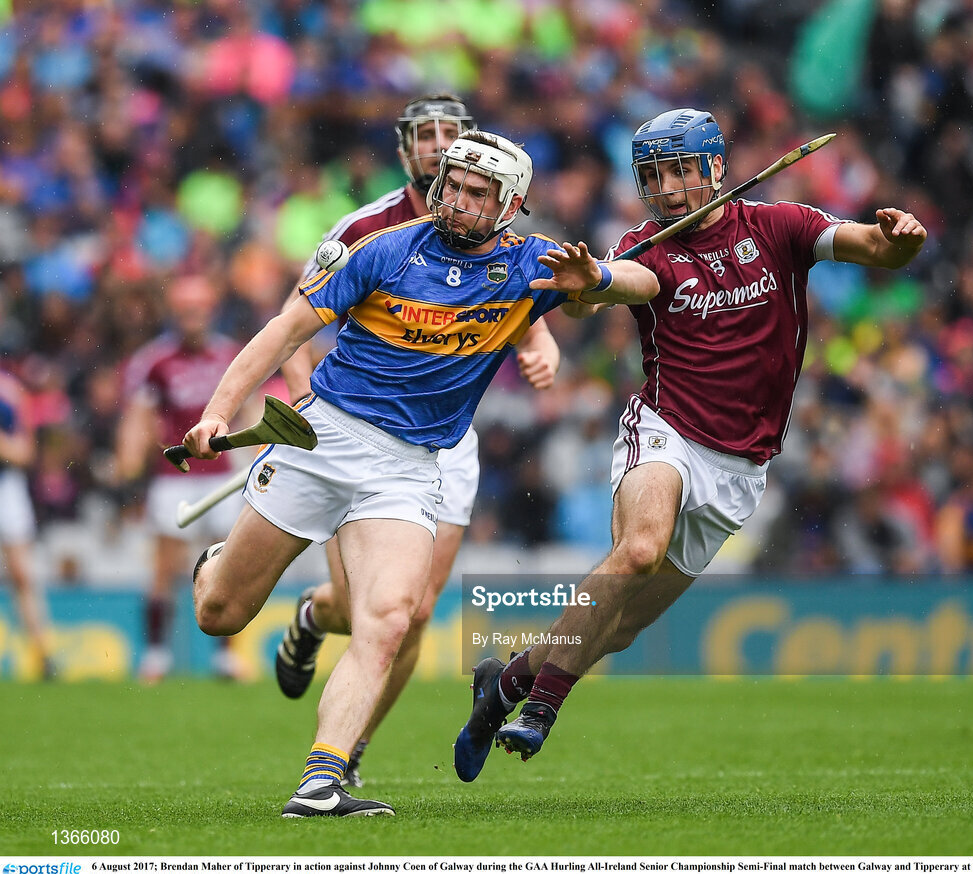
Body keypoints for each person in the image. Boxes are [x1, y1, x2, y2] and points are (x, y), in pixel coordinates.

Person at [182, 129, 659, 817]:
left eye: (476, 193)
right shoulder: (385, 248)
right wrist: (219, 412)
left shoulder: (532, 265)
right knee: (219, 614)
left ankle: (322, 779)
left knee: (390, 618)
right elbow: (284, 331)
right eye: (452, 186)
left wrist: (599, 281)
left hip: (407, 469)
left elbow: (641, 284)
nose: (457, 201)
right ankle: (217, 563)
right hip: (322, 441)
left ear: (509, 204)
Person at [453, 108, 928, 781]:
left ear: (714, 169)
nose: (667, 187)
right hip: (666, 428)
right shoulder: (647, 244)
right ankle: (541, 709)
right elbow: (621, 285)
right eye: (653, 175)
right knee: (638, 550)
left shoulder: (778, 226)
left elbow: (874, 249)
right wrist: (591, 284)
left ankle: (502, 686)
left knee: (616, 627)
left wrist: (899, 239)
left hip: (740, 466)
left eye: (679, 170)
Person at [272, 94, 561, 788]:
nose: (440, 149)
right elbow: (293, 320)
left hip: (443, 437)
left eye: (452, 138)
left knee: (414, 610)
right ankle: (315, 614)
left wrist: (540, 338)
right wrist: (304, 396)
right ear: (407, 153)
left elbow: (515, 290)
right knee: (357, 606)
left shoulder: (495, 223)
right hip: (352, 423)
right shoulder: (369, 226)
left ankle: (347, 754)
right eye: (426, 140)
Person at [115, 275, 249, 682]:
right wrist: (128, 462)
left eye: (200, 308)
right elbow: (138, 415)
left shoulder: (230, 354)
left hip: (222, 474)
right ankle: (155, 655)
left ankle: (225, 658)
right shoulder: (155, 360)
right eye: (186, 309)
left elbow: (251, 407)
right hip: (174, 472)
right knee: (166, 565)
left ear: (211, 309)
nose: (193, 316)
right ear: (175, 312)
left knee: (225, 564)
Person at [0, 366, 55, 679]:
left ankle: (43, 655)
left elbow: (24, 452)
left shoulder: (10, 390)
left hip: (6, 486)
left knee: (22, 574)